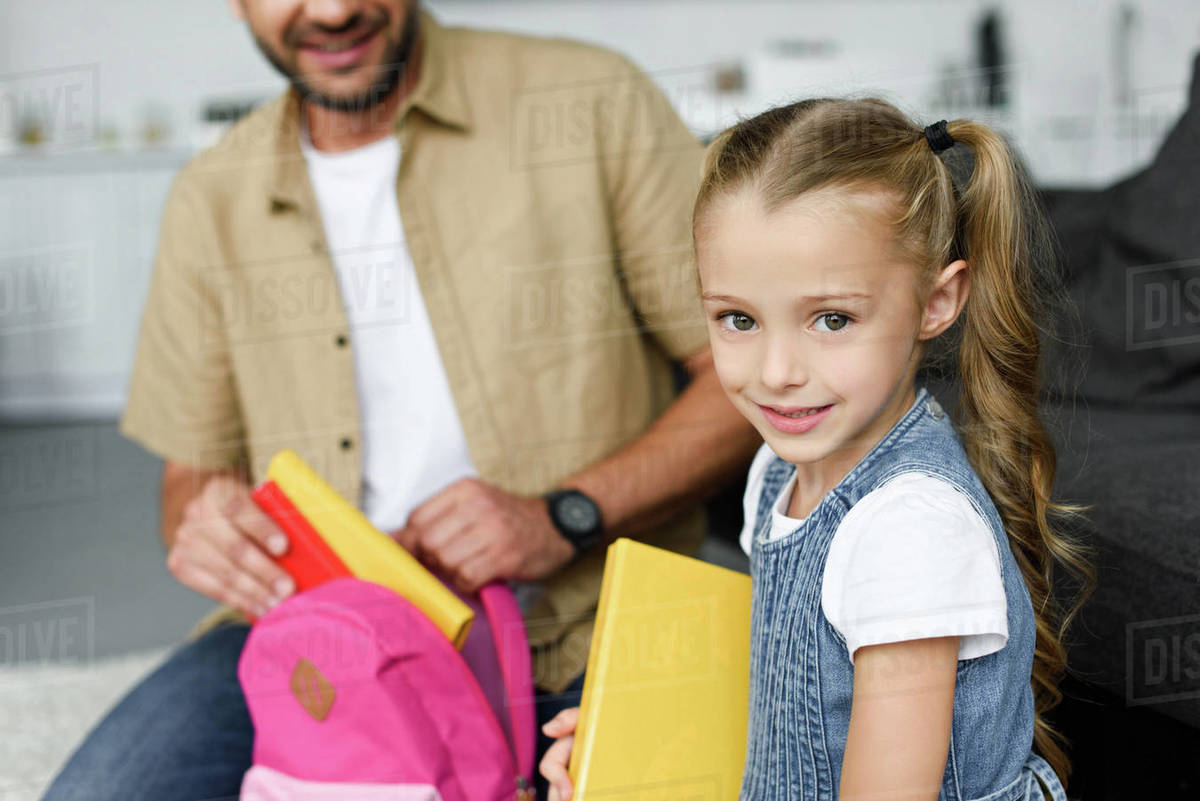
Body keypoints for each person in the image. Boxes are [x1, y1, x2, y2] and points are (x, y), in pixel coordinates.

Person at [42, 2, 759, 800]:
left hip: (584, 621)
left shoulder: (592, 99)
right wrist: (206, 526)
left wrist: (563, 515)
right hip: (313, 635)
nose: (333, 10)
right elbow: (190, 481)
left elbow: (749, 379)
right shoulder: (208, 198)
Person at [539, 98, 1092, 801]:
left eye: (832, 319)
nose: (776, 371)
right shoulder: (779, 471)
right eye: (738, 318)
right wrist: (632, 744)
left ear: (936, 300)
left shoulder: (908, 531)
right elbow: (782, 704)